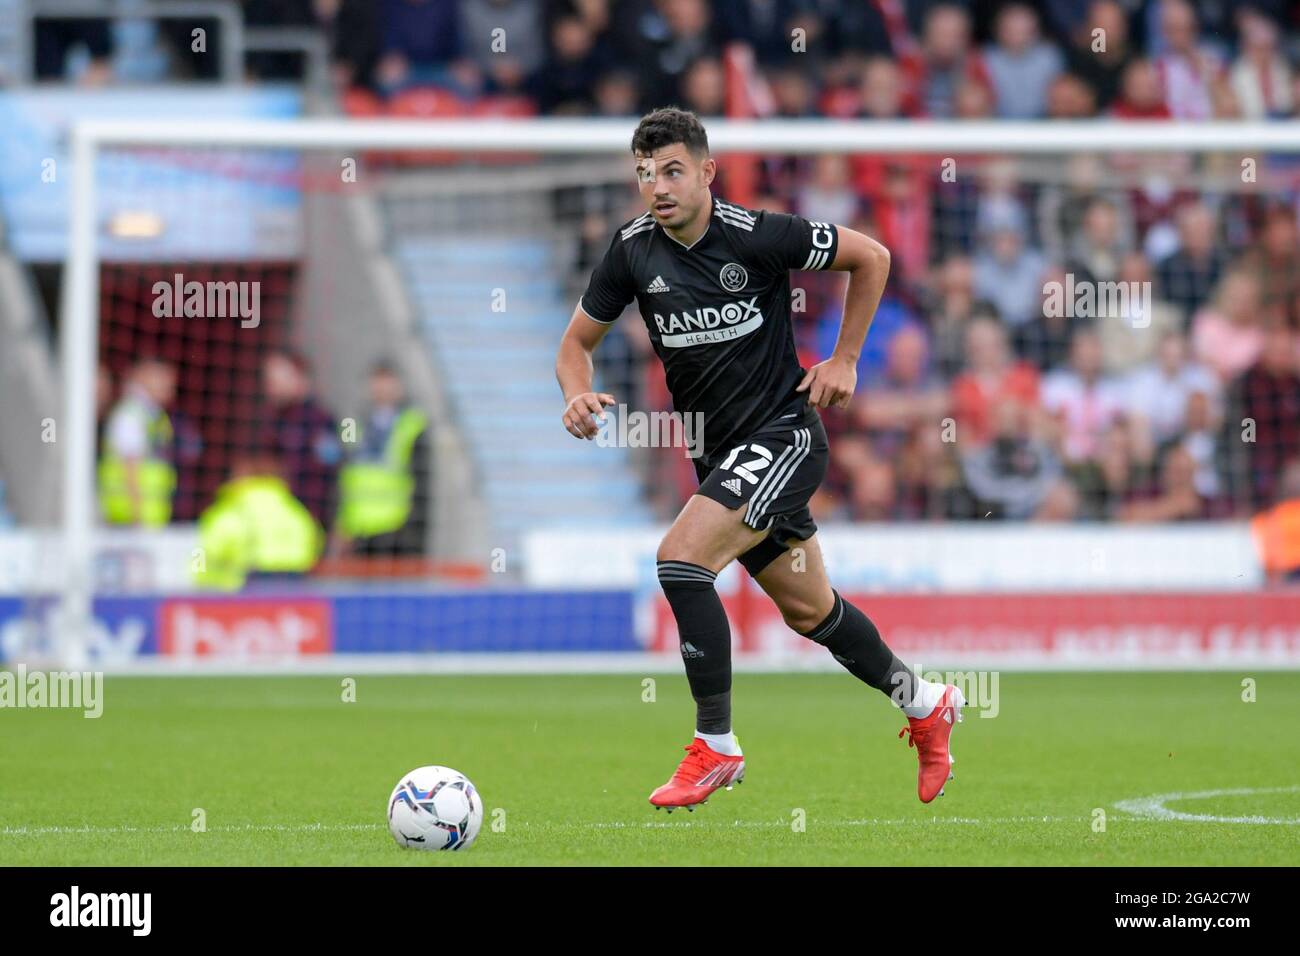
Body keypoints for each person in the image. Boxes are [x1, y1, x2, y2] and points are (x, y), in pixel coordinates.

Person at [554, 107, 963, 812]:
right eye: (646, 173)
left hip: (783, 437)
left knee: (680, 562)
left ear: (708, 172)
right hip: (721, 460)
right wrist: (577, 393)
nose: (658, 186)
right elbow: (574, 345)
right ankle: (926, 703)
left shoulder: (758, 234)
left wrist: (845, 358)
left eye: (673, 170)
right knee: (813, 613)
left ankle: (716, 743)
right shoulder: (631, 251)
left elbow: (873, 256)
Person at [336, 361, 431, 557]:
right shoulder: (354, 425)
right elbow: (345, 476)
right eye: (377, 381)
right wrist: (342, 525)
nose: (382, 388)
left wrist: (415, 533)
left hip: (396, 532)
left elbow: (421, 484)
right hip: (358, 530)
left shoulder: (412, 425)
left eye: (388, 381)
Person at [194, 454, 323, 592]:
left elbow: (201, 551)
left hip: (240, 595)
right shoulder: (296, 511)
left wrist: (200, 582)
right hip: (294, 587)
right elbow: (315, 543)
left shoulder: (231, 510)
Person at [256, 350, 343, 527]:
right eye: (269, 380)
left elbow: (329, 474)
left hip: (307, 521)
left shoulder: (320, 422)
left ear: (299, 378)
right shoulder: (270, 420)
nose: (271, 387)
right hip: (274, 520)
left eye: (277, 380)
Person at [98, 356, 177, 526]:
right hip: (129, 519)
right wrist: (136, 514)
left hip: (144, 518)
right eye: (163, 380)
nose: (170, 386)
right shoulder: (131, 415)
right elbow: (130, 464)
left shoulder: (152, 415)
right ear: (146, 378)